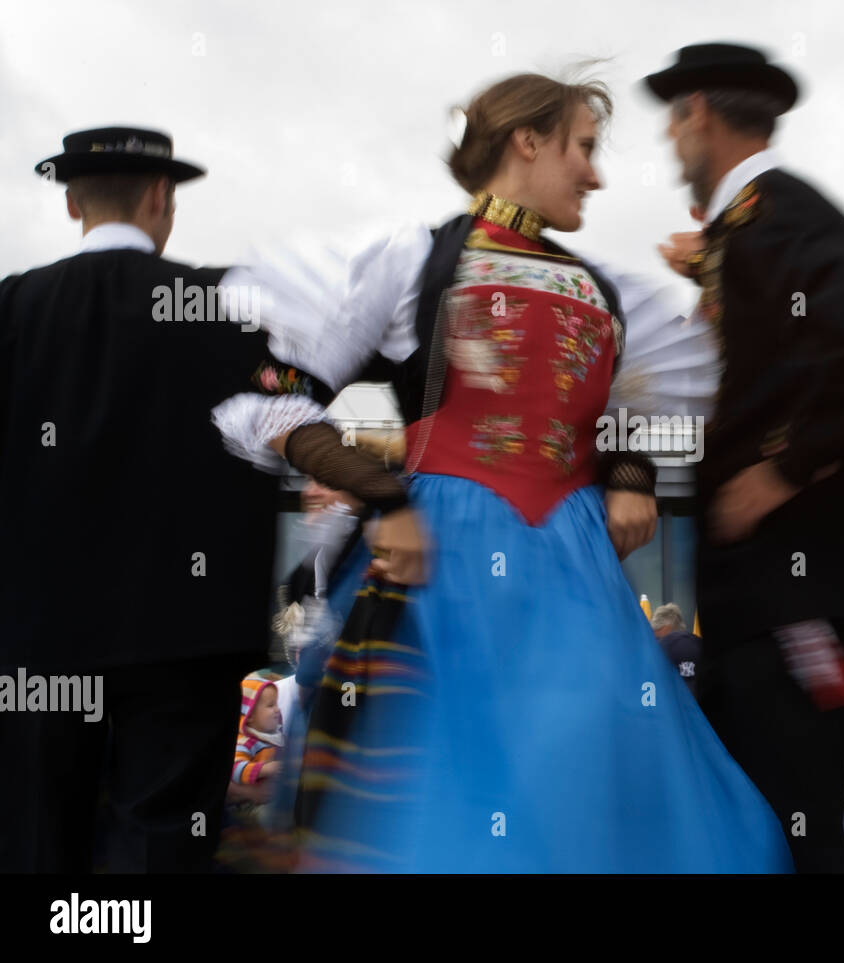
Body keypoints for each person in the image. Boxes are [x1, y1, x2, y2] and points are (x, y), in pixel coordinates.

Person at [213, 72, 793, 872]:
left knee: (589, 754)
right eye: (584, 148)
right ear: (528, 140)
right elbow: (278, 402)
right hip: (440, 561)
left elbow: (619, 409)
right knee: (452, 769)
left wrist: (627, 475)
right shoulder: (417, 262)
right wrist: (385, 500)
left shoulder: (606, 290)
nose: (596, 174)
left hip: (574, 564)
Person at [645, 42, 844, 873]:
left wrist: (780, 470)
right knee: (746, 789)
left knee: (787, 804)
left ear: (697, 114)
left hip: (798, 581)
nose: (672, 144)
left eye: (673, 123)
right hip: (770, 586)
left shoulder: (774, 213)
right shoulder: (751, 229)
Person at [0, 127, 280, 872]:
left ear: (70, 203)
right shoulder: (232, 305)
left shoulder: (12, 306)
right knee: (160, 839)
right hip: (188, 632)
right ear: (163, 198)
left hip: (36, 632)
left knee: (33, 834)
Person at [651, 603, 702, 697]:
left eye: (657, 637)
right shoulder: (698, 643)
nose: (656, 641)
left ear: (665, 627)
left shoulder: (662, 647)